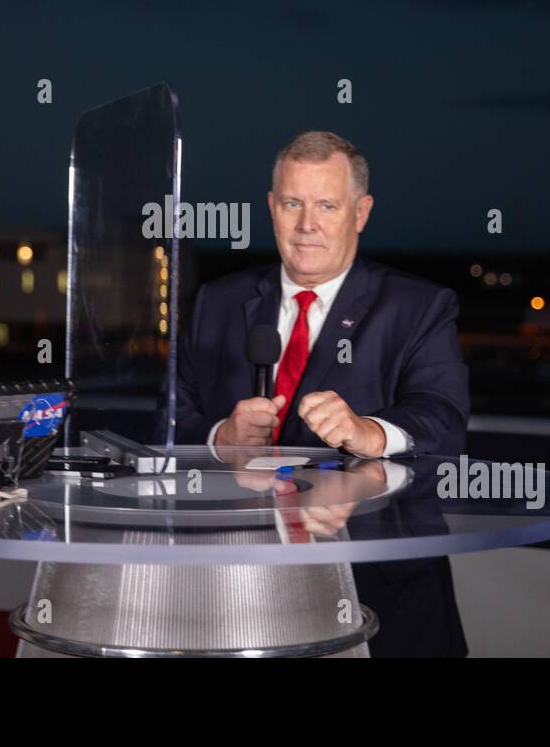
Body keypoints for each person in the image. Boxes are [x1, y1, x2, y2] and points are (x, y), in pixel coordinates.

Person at [175, 130, 471, 656]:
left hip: (379, 599)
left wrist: (369, 432)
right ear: (271, 206)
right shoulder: (216, 302)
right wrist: (222, 438)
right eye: (292, 203)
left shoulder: (420, 306)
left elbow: (443, 419)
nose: (306, 224)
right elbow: (169, 416)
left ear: (361, 212)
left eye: (327, 205)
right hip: (236, 598)